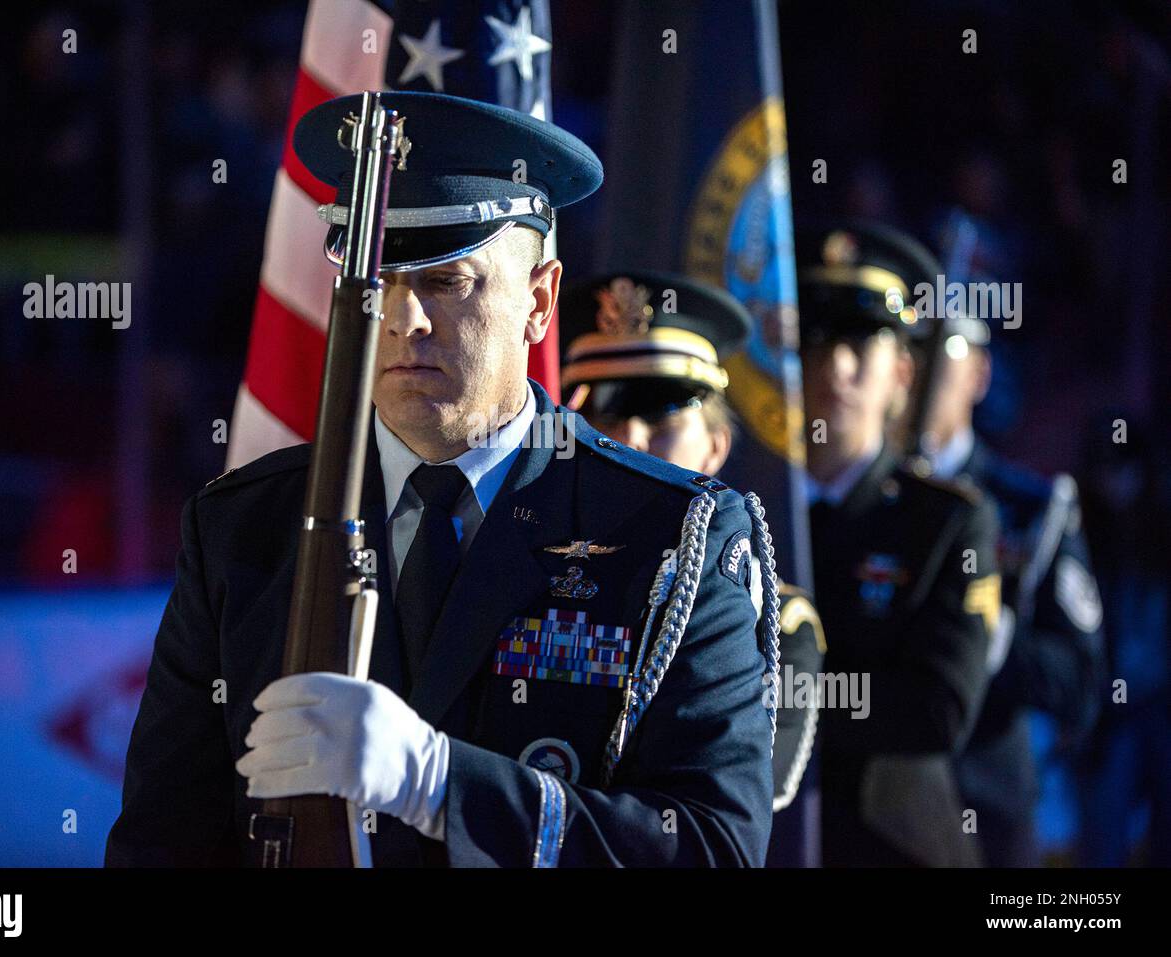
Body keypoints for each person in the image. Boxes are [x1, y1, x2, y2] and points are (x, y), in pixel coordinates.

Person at [105, 92, 777, 868]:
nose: (405, 319)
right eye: (380, 282)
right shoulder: (243, 530)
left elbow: (714, 846)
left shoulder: (667, 534)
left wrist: (443, 784)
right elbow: (163, 842)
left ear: (539, 299)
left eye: (449, 281)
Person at [558, 270, 824, 824]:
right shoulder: (520, 573)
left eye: (660, 413)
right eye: (604, 413)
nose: (629, 438)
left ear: (716, 447)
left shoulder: (775, 620)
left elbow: (741, 789)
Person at [798, 222, 1000, 867]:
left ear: (903, 372)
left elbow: (938, 707)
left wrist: (782, 699)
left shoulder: (945, 524)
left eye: (862, 341)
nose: (836, 366)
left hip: (888, 847)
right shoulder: (735, 508)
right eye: (818, 338)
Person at [920, 310, 1105, 866]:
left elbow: (1080, 678)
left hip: (987, 800)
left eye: (943, 358)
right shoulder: (867, 494)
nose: (924, 376)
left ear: (978, 374)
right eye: (913, 355)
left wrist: (991, 641)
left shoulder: (1029, 507)